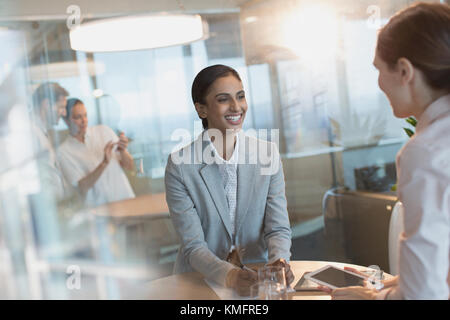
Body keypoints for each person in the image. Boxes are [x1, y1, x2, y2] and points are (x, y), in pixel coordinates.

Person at [320, 2, 450, 299]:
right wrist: (385, 284)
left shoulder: (425, 152)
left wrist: (369, 297)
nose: (378, 83)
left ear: (405, 71)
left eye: (379, 70)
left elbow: (424, 295)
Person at [164, 64, 294, 296]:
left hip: (257, 275)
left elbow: (278, 227)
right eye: (224, 99)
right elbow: (193, 246)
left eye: (240, 96)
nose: (236, 107)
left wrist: (279, 262)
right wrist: (229, 275)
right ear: (202, 109)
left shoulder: (267, 154)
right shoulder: (181, 165)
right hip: (198, 281)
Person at [57, 98, 135, 207]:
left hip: (126, 202)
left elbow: (130, 166)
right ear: (66, 121)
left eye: (85, 115)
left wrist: (122, 151)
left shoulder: (104, 131)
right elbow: (81, 188)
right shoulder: (64, 152)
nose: (84, 120)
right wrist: (104, 163)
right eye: (78, 117)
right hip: (100, 214)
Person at [31, 82, 70, 199]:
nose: (64, 113)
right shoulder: (31, 133)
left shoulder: (41, 131)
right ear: (47, 104)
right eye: (61, 107)